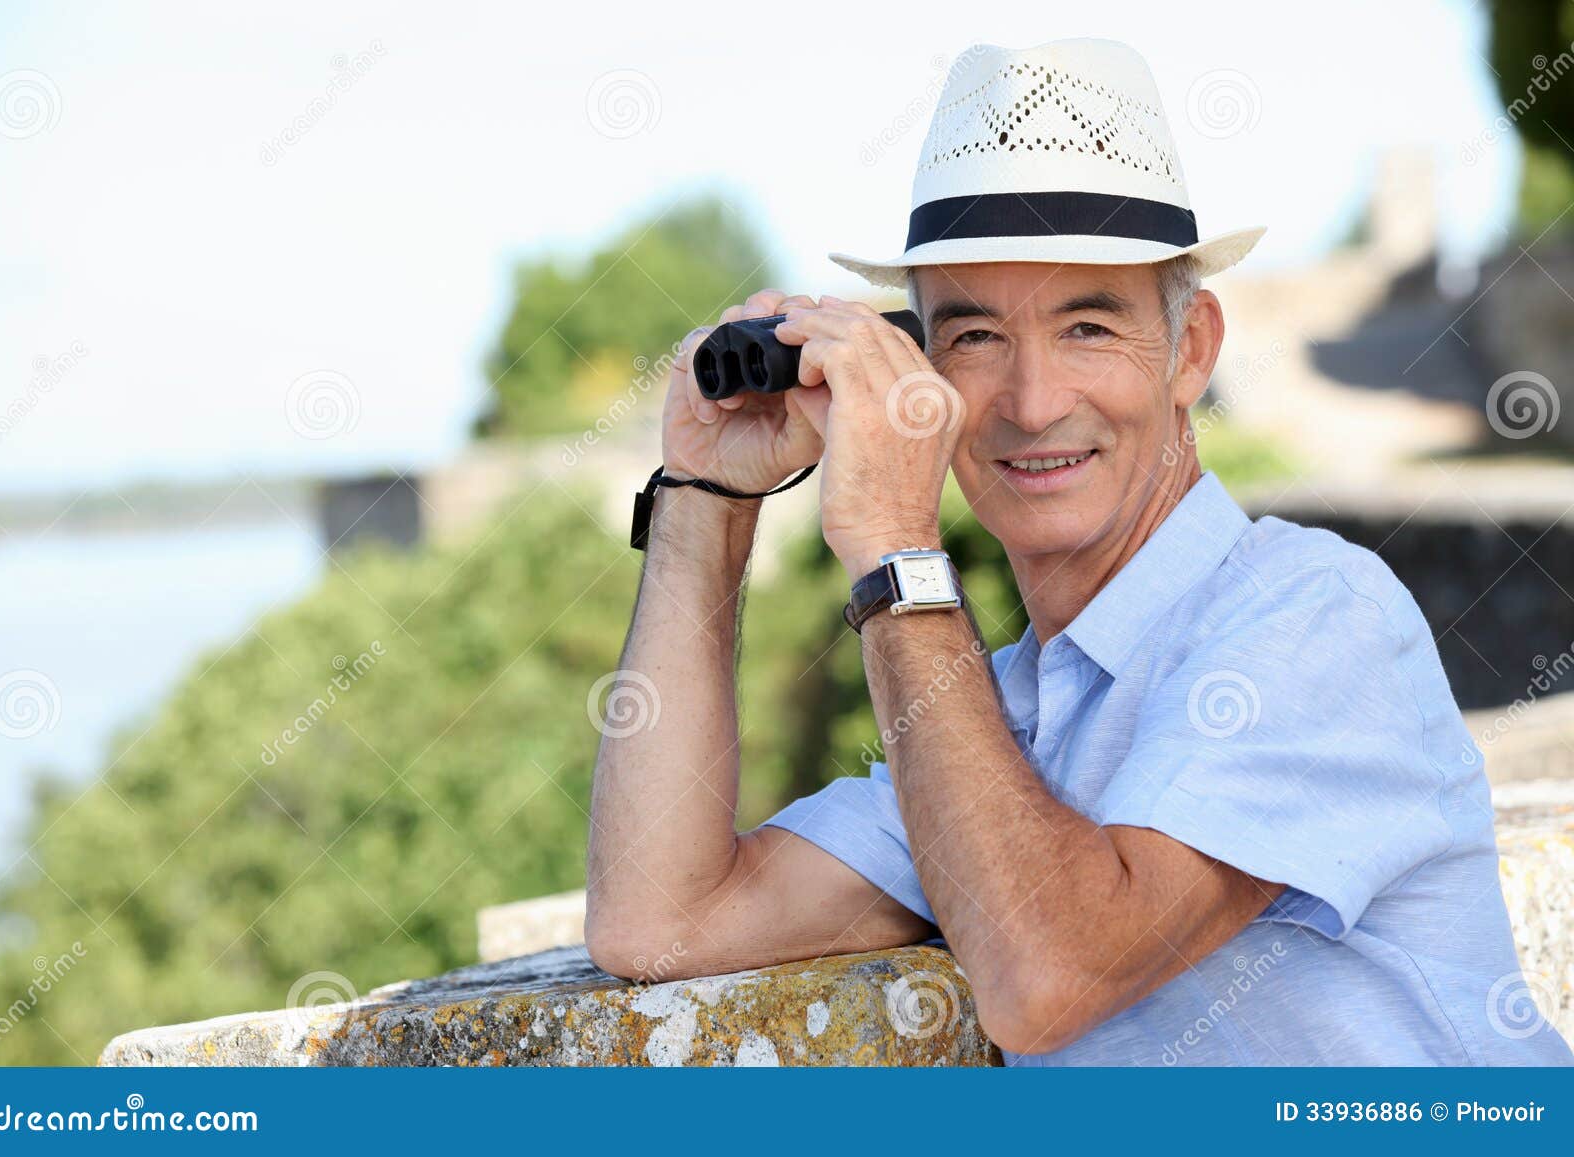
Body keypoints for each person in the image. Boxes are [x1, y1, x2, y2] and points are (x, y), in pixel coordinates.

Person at [584, 37, 1573, 1066]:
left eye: (1088, 326)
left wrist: (892, 543)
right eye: (972, 337)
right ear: (922, 373)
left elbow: (1048, 977)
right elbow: (662, 920)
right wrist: (705, 497)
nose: (1032, 401)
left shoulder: (1315, 614)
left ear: (1188, 351)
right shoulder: (992, 723)